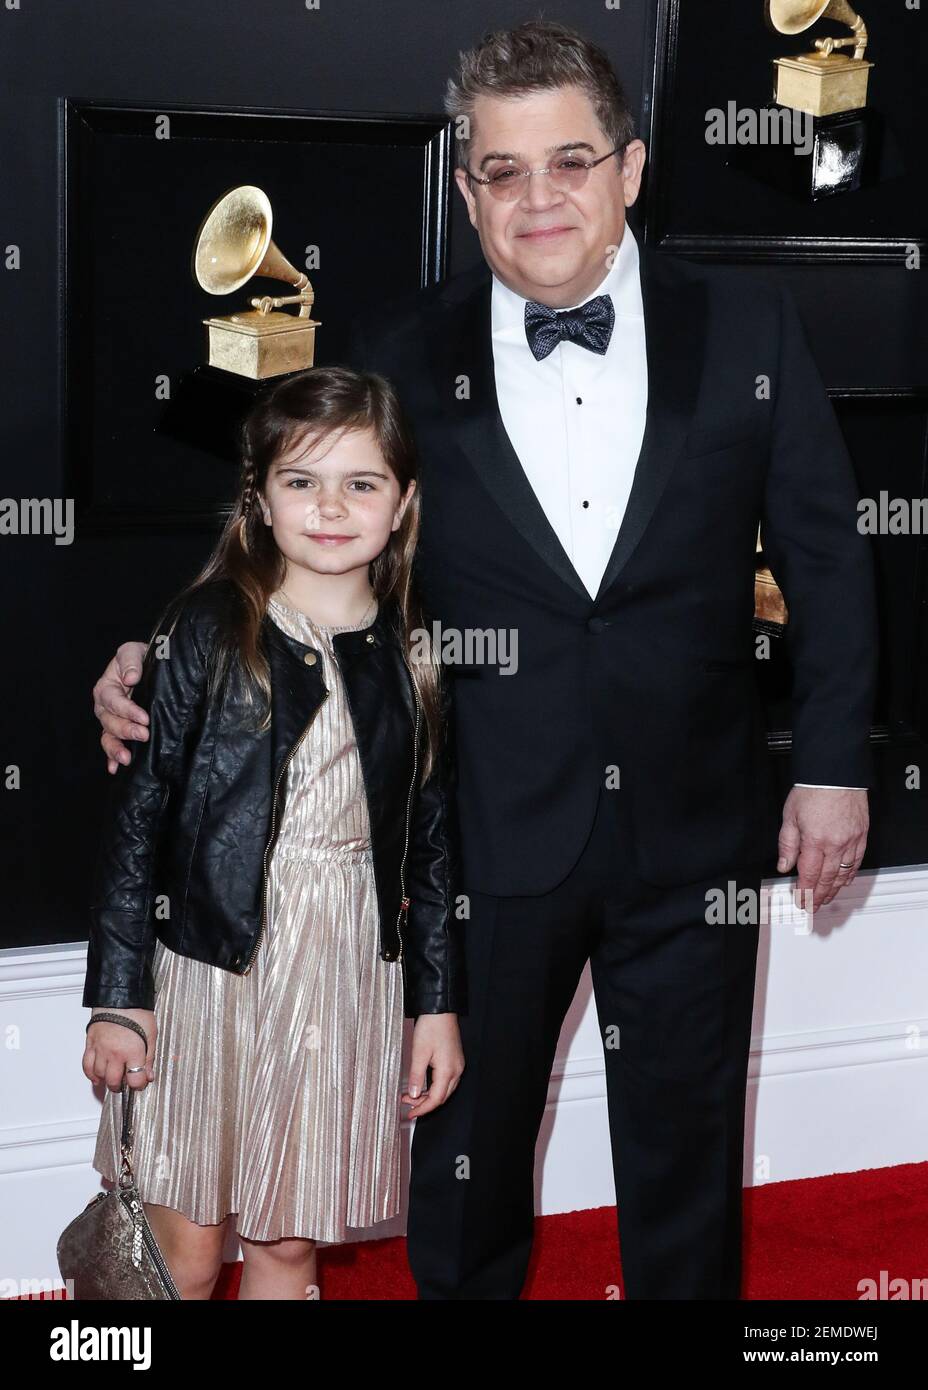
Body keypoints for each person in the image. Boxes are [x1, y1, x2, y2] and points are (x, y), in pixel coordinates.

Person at [91, 20, 877, 1299]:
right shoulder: (400, 346)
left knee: (686, 1153)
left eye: (569, 161)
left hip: (695, 821)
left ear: (629, 169)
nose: (537, 197)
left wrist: (833, 766)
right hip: (480, 831)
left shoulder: (747, 324)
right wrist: (161, 644)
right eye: (503, 171)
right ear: (467, 194)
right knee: (464, 1164)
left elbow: (829, 558)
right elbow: (298, 514)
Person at [82, 365, 465, 1300]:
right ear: (259, 498)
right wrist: (119, 997)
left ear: (403, 502)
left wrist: (437, 1003)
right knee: (185, 1249)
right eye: (301, 480)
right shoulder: (211, 626)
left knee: (290, 1245)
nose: (331, 507)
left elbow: (430, 843)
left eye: (361, 483)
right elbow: (140, 821)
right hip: (209, 965)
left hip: (344, 968)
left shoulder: (418, 647)